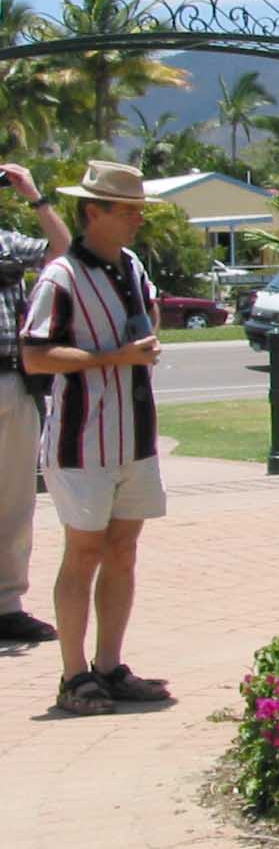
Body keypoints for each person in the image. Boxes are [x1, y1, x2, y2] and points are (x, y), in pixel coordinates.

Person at [18, 161, 170, 715]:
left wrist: (143, 348)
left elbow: (145, 326)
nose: (136, 220)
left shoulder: (131, 266)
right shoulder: (60, 277)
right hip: (81, 441)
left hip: (135, 435)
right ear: (93, 212)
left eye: (137, 210)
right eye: (126, 210)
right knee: (83, 552)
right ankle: (73, 675)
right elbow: (35, 356)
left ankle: (110, 665)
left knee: (124, 551)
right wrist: (114, 358)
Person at [0, 162, 69, 646]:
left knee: (15, 501)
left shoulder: (6, 242)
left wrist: (35, 197)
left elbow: (64, 251)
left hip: (11, 382)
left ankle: (6, 604)